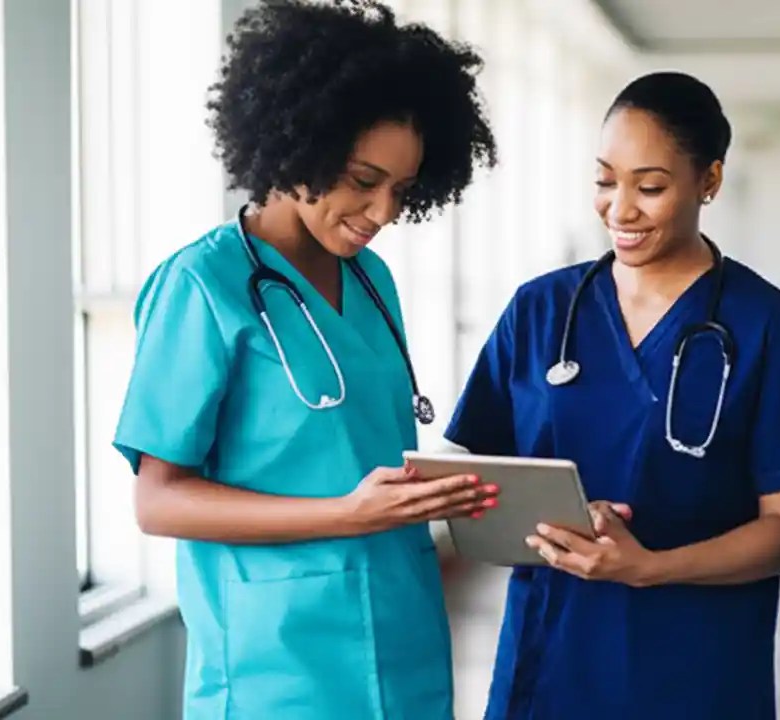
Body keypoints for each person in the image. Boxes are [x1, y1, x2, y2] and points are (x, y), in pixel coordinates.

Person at [111, 2, 498, 718]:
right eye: (361, 179)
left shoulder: (371, 283)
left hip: (403, 635)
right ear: (296, 146)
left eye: (402, 190)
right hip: (276, 668)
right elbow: (157, 499)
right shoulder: (203, 286)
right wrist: (343, 514)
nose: (382, 212)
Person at [445, 71, 780, 720]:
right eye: (604, 181)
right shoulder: (541, 310)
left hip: (699, 671)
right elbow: (479, 489)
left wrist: (648, 566)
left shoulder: (770, 326)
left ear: (709, 181)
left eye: (649, 187)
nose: (620, 209)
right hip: (550, 658)